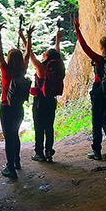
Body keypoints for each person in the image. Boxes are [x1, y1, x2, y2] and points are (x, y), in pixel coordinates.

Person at [74, 15, 106, 159]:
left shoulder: (98, 59)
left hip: (98, 92)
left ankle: (97, 151)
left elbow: (85, 48)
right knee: (105, 119)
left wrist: (77, 30)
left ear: (102, 48)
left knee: (97, 122)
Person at [0, 26, 31, 178]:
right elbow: (28, 54)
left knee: (8, 138)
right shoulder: (23, 70)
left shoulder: (5, 70)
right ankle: (17, 161)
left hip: (6, 108)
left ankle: (10, 168)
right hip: (19, 109)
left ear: (9, 59)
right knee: (15, 135)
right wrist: (28, 38)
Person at [27, 30, 66, 163]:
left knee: (39, 128)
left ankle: (39, 153)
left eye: (45, 53)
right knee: (49, 127)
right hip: (51, 101)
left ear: (47, 57)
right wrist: (57, 41)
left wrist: (27, 37)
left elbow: (30, 55)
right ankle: (49, 152)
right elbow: (57, 54)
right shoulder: (57, 66)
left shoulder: (41, 68)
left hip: (40, 102)